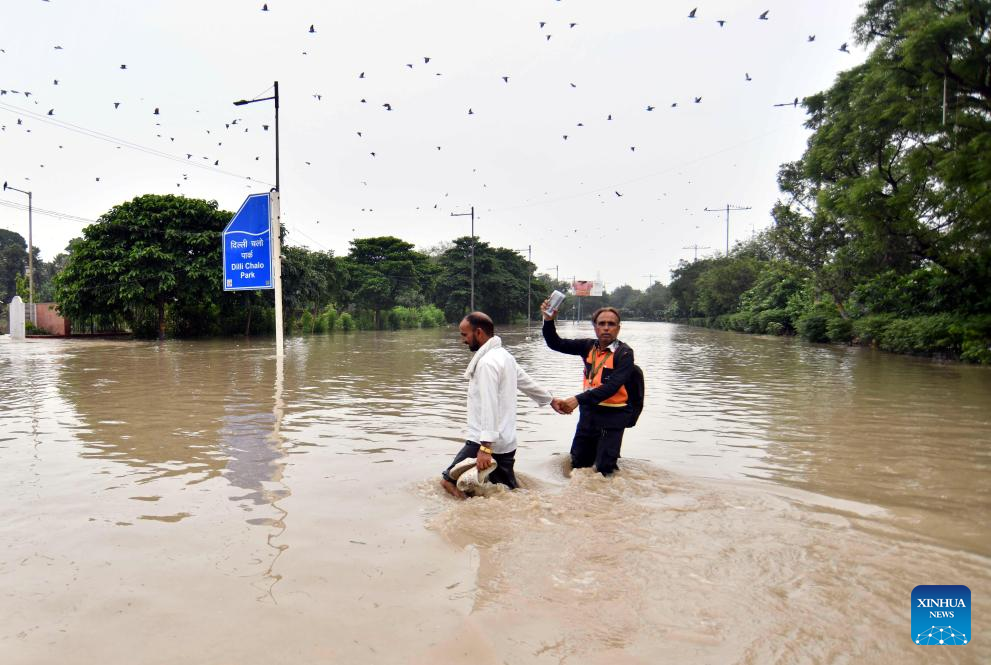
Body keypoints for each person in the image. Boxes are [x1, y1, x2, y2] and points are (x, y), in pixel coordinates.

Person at [440, 311, 555, 499]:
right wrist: (550, 400)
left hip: (483, 441)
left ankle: (470, 515)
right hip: (507, 442)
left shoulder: (486, 363)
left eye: (464, 334)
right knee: (506, 492)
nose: (463, 340)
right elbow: (524, 381)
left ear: (478, 333)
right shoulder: (504, 356)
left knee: (448, 482)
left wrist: (485, 448)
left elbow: (489, 405)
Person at [541, 302, 635, 476]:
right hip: (588, 415)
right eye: (602, 324)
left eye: (611, 324)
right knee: (577, 465)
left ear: (618, 328)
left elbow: (612, 387)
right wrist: (548, 320)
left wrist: (577, 399)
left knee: (604, 470)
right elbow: (556, 343)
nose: (606, 328)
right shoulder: (588, 347)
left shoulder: (624, 353)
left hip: (613, 417)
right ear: (595, 327)